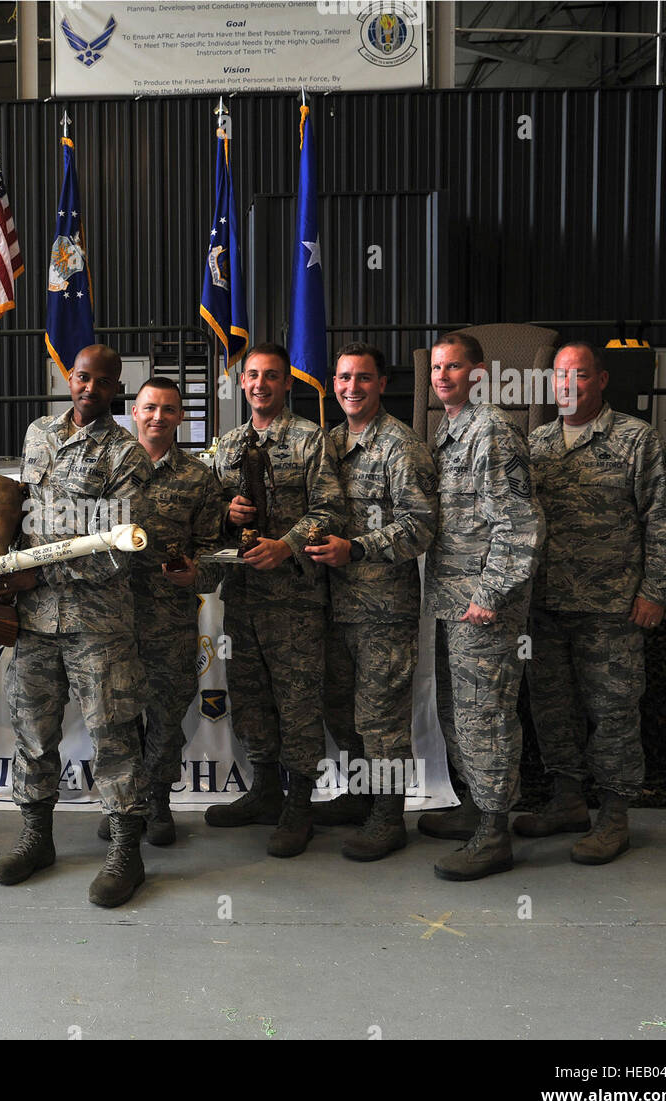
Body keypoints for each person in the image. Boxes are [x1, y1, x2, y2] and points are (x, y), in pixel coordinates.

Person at [519, 342, 666, 863]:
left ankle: (614, 815)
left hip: (612, 610)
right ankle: (568, 801)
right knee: (554, 709)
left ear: (601, 381)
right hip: (546, 607)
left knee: (613, 711)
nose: (567, 385)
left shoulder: (636, 440)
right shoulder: (538, 444)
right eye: (559, 376)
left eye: (578, 375)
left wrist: (655, 591)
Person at [0, 344, 153, 907]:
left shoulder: (127, 455)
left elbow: (120, 549)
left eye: (103, 381)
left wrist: (39, 576)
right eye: (82, 377)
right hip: (34, 623)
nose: (90, 388)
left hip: (97, 623)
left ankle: (126, 852)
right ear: (70, 376)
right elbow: (19, 512)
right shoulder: (38, 434)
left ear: (116, 388)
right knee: (32, 733)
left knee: (113, 735)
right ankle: (37, 838)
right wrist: (6, 563)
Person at [204, 342, 345, 858]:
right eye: (252, 376)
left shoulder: (312, 440)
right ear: (241, 384)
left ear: (288, 383)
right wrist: (228, 513)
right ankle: (264, 789)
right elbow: (209, 509)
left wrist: (286, 545)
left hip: (295, 597)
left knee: (299, 701)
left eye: (271, 376)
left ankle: (300, 803)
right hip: (242, 594)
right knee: (252, 695)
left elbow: (331, 509)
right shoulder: (227, 444)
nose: (260, 384)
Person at [305, 343, 437, 860]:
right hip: (330, 606)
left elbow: (421, 525)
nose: (351, 387)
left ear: (382, 383)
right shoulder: (328, 443)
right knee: (340, 711)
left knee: (380, 720)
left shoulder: (401, 446)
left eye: (363, 378)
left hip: (382, 610)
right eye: (343, 378)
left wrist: (357, 547)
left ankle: (388, 815)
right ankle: (360, 795)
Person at [421, 331, 544, 880]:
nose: (443, 376)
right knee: (459, 710)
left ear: (478, 373)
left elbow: (519, 522)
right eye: (436, 368)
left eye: (454, 367)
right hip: (454, 601)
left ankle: (495, 831)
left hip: (483, 604)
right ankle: (475, 803)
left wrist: (491, 595)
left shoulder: (490, 429)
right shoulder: (450, 430)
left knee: (486, 715)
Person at [90, 375, 223, 846]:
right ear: (134, 412)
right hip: (109, 616)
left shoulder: (197, 478)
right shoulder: (106, 466)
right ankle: (125, 802)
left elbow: (214, 549)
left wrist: (198, 573)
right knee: (117, 713)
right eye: (149, 408)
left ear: (181, 417)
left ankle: (158, 798)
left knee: (167, 712)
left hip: (169, 616)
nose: (158, 417)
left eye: (168, 409)